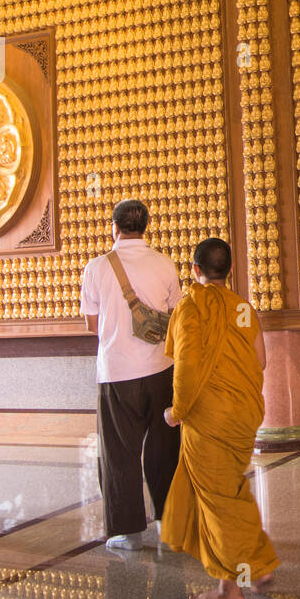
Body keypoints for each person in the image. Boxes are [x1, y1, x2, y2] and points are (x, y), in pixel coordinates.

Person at [161, 237, 279, 599]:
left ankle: (230, 588)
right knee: (231, 492)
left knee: (218, 504)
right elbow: (260, 360)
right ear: (228, 272)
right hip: (242, 416)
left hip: (208, 418)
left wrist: (176, 411)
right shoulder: (242, 308)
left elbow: (187, 367)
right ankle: (257, 566)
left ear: (194, 271)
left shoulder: (189, 306)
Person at [81, 199, 182, 550]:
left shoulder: (96, 268)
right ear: (146, 226)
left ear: (115, 226)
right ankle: (168, 527)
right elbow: (175, 318)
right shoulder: (165, 264)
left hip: (116, 371)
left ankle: (128, 532)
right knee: (164, 449)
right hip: (161, 368)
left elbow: (92, 324)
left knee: (119, 452)